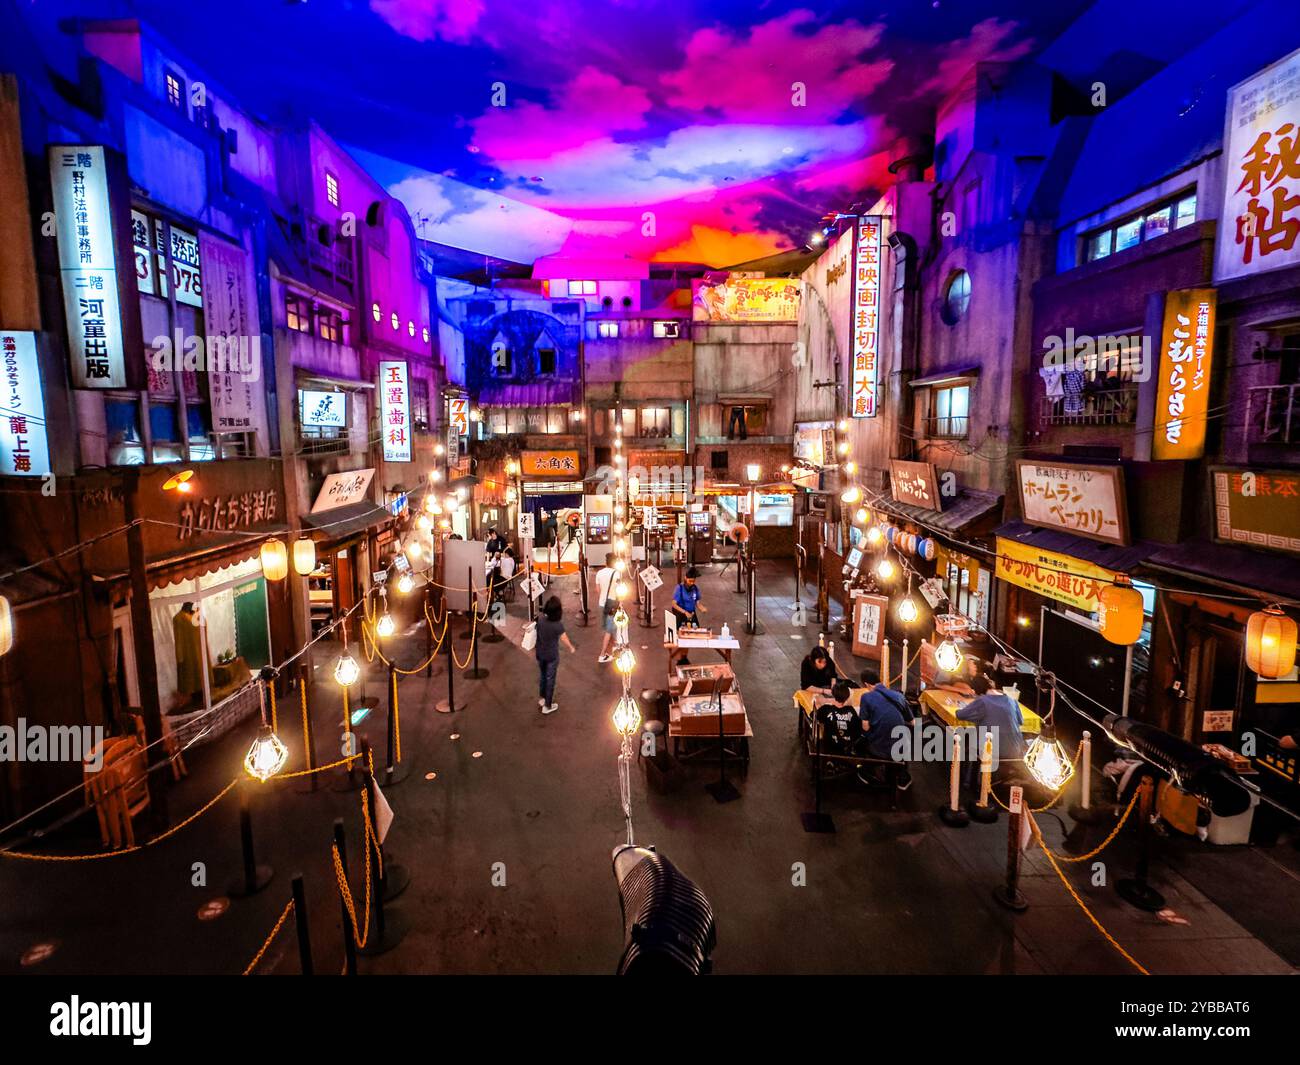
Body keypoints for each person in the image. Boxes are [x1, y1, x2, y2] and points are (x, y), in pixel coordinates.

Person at [956, 674, 1026, 780]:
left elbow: (960, 715)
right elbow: (1020, 721)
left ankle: (969, 780)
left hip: (994, 751)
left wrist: (960, 708)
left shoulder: (983, 700)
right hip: (1016, 750)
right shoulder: (1011, 699)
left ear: (975, 691)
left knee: (968, 743)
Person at [857, 667, 913, 789]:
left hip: (880, 747)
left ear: (866, 684)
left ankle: (867, 770)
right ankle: (902, 774)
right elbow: (913, 722)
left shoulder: (866, 697)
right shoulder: (898, 696)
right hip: (901, 747)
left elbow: (865, 727)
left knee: (862, 737)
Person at [534, 595, 576, 714]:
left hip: (540, 653)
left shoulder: (541, 619)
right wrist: (571, 647)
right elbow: (564, 638)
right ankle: (547, 706)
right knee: (550, 679)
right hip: (551, 656)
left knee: (542, 676)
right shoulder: (557, 625)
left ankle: (542, 698)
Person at [815, 680, 862, 754]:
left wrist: (819, 703)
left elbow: (814, 716)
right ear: (847, 697)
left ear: (833, 695)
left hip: (830, 747)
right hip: (848, 747)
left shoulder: (826, 709)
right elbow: (857, 729)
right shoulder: (851, 711)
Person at [595, 559, 618, 662]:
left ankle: (615, 645)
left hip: (602, 603)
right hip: (612, 604)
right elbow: (619, 590)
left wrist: (603, 598)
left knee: (609, 627)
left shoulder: (599, 573)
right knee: (609, 630)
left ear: (605, 562)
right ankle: (602, 655)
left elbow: (598, 590)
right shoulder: (617, 574)